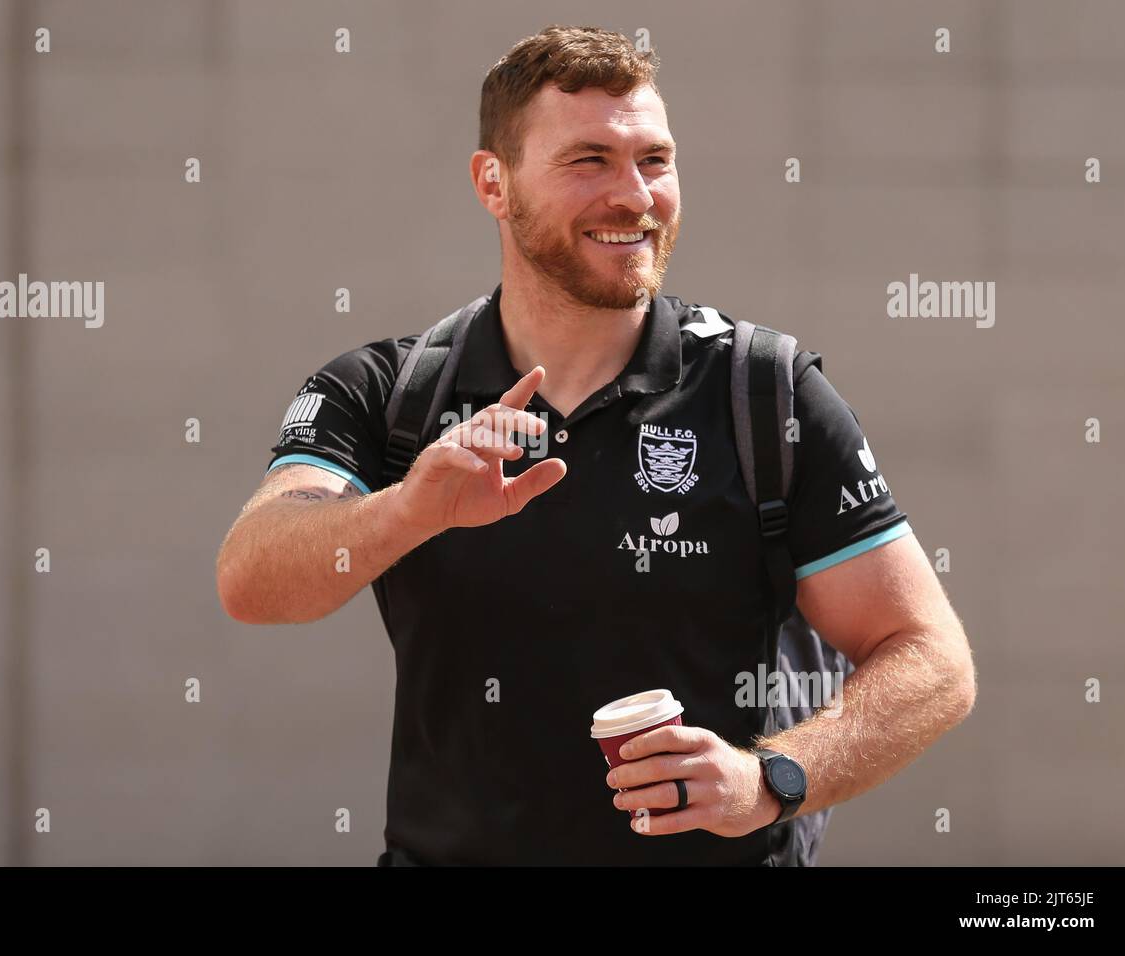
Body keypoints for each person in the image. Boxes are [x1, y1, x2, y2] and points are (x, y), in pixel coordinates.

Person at [215, 25, 976, 866]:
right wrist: (407, 511)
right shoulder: (387, 391)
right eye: (589, 162)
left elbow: (933, 659)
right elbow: (252, 579)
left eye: (655, 160)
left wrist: (770, 779)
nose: (636, 197)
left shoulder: (765, 391)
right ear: (493, 183)